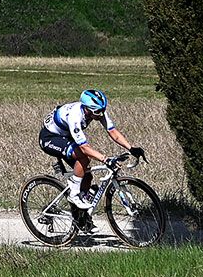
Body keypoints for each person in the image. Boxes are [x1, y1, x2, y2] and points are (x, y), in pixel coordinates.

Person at [41, 89, 141, 226]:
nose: (101, 115)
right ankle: (74, 195)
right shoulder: (75, 116)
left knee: (87, 176)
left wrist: (131, 148)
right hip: (50, 138)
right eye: (97, 112)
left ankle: (80, 217)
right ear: (87, 109)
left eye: (102, 110)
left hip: (66, 136)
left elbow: (112, 131)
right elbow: (84, 148)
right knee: (84, 157)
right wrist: (105, 159)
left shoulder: (96, 111)